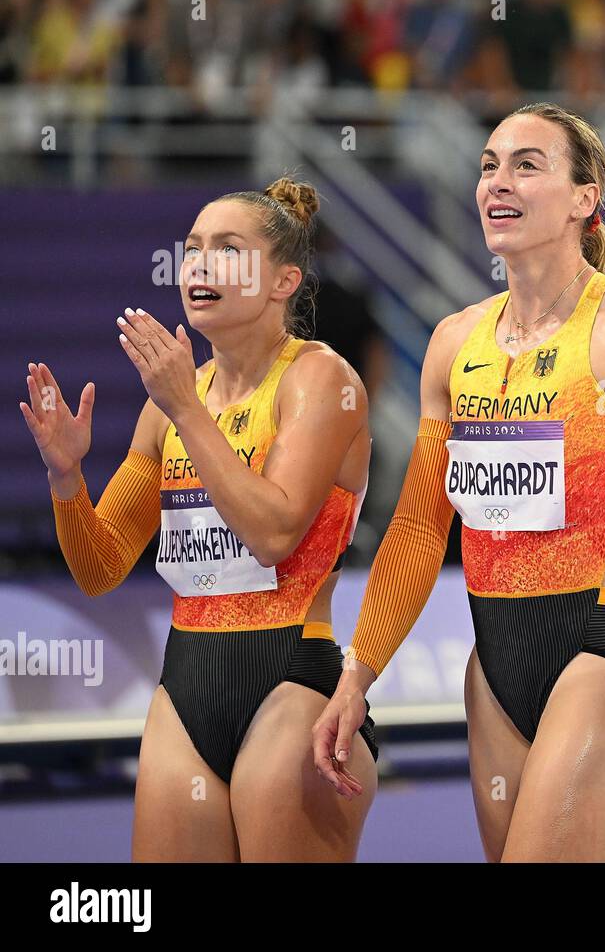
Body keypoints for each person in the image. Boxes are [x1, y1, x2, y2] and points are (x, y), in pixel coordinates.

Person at [313, 102, 605, 861]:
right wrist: (356, 677)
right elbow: (416, 530)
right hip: (494, 669)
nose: (495, 182)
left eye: (525, 165)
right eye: (487, 165)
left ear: (584, 199)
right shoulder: (454, 345)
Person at [21, 178, 378, 861]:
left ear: (283, 281)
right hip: (185, 689)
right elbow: (100, 571)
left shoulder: (318, 380)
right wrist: (66, 479)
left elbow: (275, 533)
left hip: (292, 681)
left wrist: (189, 409)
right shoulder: (169, 408)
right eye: (191, 250)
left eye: (227, 249)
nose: (200, 265)